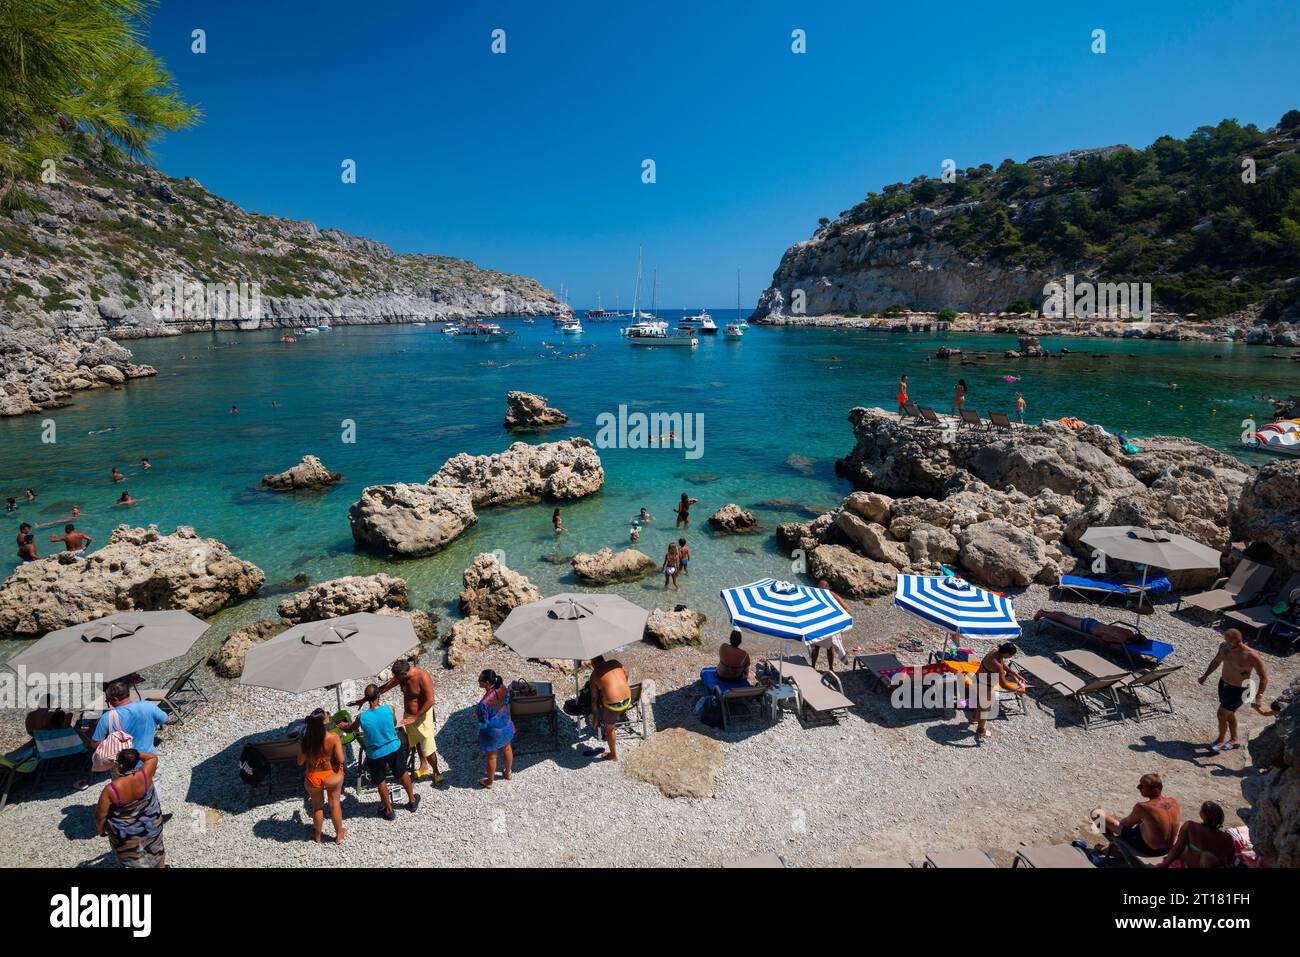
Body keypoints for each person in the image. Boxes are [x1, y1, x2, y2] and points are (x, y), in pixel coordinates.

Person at [357, 659, 444, 786]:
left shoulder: (422, 676)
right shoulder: (401, 677)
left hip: (422, 716)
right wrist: (364, 700)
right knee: (416, 742)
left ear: (404, 673)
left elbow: (431, 700)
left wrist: (416, 717)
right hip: (408, 715)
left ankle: (436, 772)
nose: (395, 679)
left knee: (428, 746)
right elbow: (384, 688)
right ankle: (423, 765)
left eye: (396, 677)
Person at [338, 683, 417, 820]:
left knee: (381, 781)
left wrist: (342, 725)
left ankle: (389, 810)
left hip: (375, 754)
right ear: (378, 696)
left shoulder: (362, 717)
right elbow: (393, 723)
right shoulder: (389, 709)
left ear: (366, 699)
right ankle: (412, 801)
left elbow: (350, 729)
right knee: (402, 772)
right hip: (393, 748)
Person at [1199, 628, 1269, 752]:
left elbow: (1263, 677)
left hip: (1240, 689)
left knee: (1221, 714)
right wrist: (1205, 675)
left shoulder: (1251, 656)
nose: (1225, 642)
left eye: (1228, 641)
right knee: (1229, 713)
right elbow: (1216, 661)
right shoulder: (1224, 647)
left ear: (1237, 641)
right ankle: (1234, 739)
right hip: (1224, 684)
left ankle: (1220, 741)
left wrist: (1259, 696)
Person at [94, 749, 165, 868]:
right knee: (156, 851)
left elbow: (100, 815)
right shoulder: (146, 774)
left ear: (120, 766)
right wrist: (134, 755)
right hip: (151, 825)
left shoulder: (112, 789)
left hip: (126, 833)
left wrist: (101, 830)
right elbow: (152, 757)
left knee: (130, 859)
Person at [1095, 773, 1181, 858]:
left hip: (1148, 850)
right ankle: (1114, 846)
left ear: (1154, 790)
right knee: (1142, 822)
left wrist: (1111, 826)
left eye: (1142, 786)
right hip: (1167, 850)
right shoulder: (1173, 801)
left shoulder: (1143, 807)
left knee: (1096, 814)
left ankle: (1114, 845)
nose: (1138, 787)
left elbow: (1126, 824)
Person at [297, 709, 346, 843]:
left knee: (317, 807)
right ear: (324, 721)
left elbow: (300, 761)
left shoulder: (307, 740)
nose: (328, 714)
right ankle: (339, 835)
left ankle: (317, 835)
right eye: (327, 714)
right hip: (331, 776)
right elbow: (341, 759)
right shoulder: (333, 737)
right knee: (334, 804)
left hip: (313, 776)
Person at [965, 642, 1026, 739]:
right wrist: (1019, 689)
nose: (1009, 657)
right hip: (985, 686)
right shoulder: (997, 666)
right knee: (985, 708)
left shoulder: (994, 653)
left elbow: (1003, 665)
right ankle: (980, 730)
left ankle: (974, 718)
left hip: (976, 679)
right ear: (1006, 654)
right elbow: (1004, 685)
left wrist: (1015, 674)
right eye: (1010, 656)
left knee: (981, 703)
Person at [1162, 801, 1235, 868]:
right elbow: (1230, 861)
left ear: (1203, 815)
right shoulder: (1229, 838)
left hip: (1195, 864)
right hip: (1213, 863)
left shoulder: (1190, 826)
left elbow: (1177, 848)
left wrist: (1164, 864)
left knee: (1184, 848)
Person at [475, 670, 515, 788]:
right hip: (506, 723)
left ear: (487, 683)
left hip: (494, 731)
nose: (478, 682)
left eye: (480, 680)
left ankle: (489, 782)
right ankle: (508, 773)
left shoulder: (484, 703)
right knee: (507, 748)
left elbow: (483, 723)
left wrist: (477, 714)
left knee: (491, 756)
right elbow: (507, 700)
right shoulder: (502, 687)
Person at [589, 655, 631, 762]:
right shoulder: (615, 662)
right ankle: (619, 717)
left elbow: (594, 699)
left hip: (614, 707)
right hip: (629, 700)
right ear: (603, 658)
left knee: (609, 730)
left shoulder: (594, 674)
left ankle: (613, 755)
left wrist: (595, 717)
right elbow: (626, 675)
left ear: (593, 663)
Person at [1033, 609, 1142, 645]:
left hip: (1093, 622)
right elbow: (1105, 638)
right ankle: (1042, 613)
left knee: (1065, 617)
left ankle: (1047, 612)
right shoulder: (1123, 638)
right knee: (1064, 619)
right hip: (1088, 628)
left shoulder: (1128, 631)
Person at [808, 579, 848, 671]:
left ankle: (831, 668)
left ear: (828, 589)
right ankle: (813, 666)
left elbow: (847, 609)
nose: (820, 591)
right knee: (815, 647)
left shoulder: (833, 596)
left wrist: (834, 616)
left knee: (830, 648)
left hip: (830, 625)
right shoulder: (815, 595)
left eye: (823, 589)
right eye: (819, 589)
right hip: (818, 624)